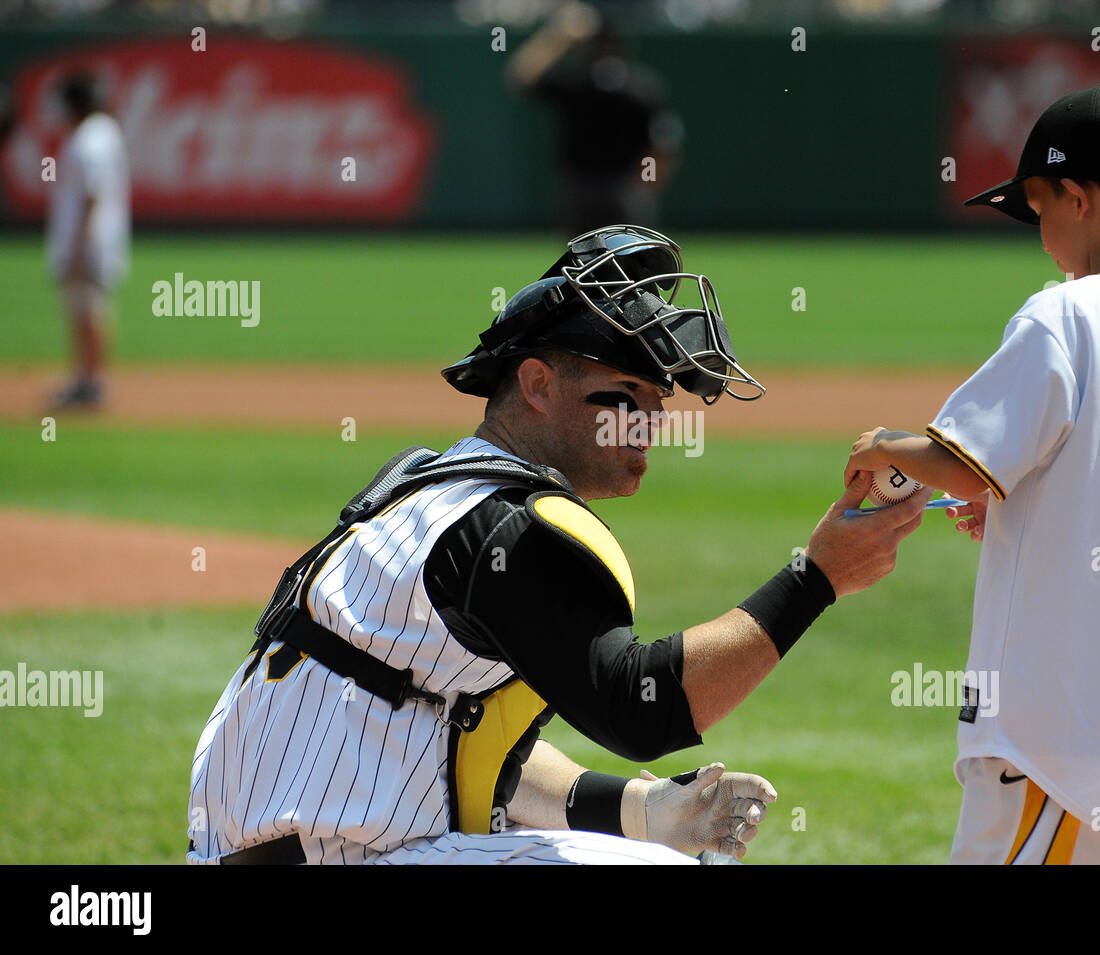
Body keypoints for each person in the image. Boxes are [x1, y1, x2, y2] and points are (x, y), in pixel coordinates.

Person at [188, 225, 927, 865]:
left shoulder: (427, 490)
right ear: (538, 383)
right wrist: (819, 575)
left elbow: (454, 745)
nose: (649, 422)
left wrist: (642, 812)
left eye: (658, 402)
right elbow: (642, 708)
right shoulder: (515, 528)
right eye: (628, 394)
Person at [843, 84, 1100, 864]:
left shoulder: (1067, 312)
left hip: (1051, 745)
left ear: (1080, 199)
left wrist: (882, 444)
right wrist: (1035, 507)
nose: (1040, 235)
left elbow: (958, 457)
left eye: (1040, 207)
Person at [505, 3, 681, 235]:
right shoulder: (641, 88)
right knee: (635, 264)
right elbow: (663, 147)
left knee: (583, 266)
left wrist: (559, 36)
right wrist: (646, 187)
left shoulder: (577, 84)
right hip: (623, 189)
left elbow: (520, 76)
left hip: (581, 189)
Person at [45, 72, 130, 411]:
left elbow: (92, 194)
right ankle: (85, 377)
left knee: (89, 310)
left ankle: (92, 382)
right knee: (83, 309)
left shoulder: (90, 139)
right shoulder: (102, 132)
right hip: (94, 240)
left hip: (89, 243)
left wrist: (80, 246)